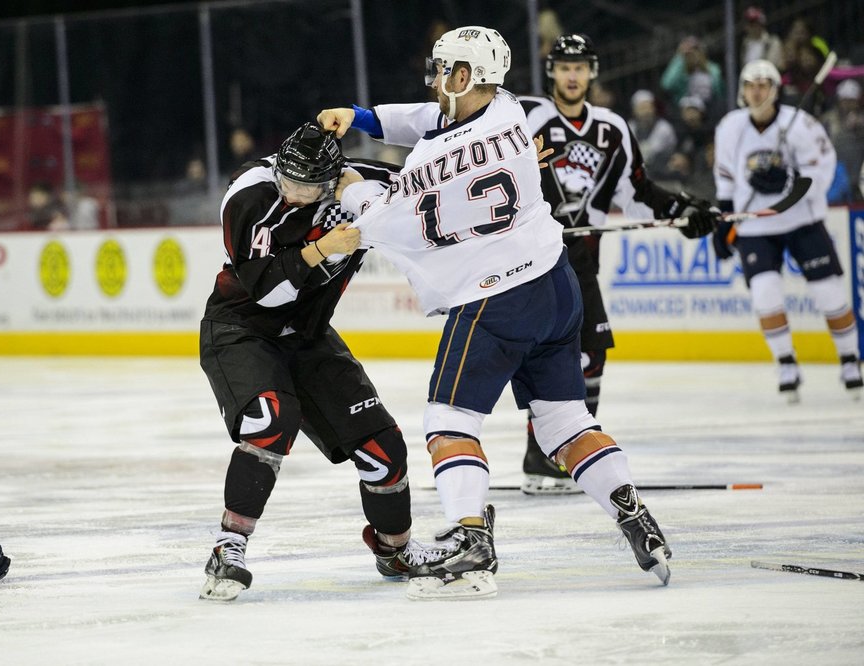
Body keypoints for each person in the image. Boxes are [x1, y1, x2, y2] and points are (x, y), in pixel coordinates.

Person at [318, 25, 676, 598]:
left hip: (493, 298)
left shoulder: (431, 162)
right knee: (565, 423)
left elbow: (381, 220)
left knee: (448, 423)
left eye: (442, 71)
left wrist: (352, 184)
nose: (433, 81)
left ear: (463, 76)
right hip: (558, 286)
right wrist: (360, 117)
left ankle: (470, 537)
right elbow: (426, 116)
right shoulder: (512, 111)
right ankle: (633, 515)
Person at [198, 122, 447, 601]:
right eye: (287, 181)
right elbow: (268, 292)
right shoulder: (249, 195)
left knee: (384, 447)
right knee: (270, 419)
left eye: (306, 187)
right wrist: (322, 249)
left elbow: (432, 179)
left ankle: (394, 549)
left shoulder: (361, 186)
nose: (293, 194)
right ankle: (228, 545)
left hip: (308, 336)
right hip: (241, 327)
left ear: (332, 180)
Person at [515, 34, 719, 496]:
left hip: (582, 254)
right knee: (560, 352)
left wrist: (683, 210)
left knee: (590, 352)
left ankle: (558, 450)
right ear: (552, 73)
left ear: (592, 72)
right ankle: (555, 450)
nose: (572, 75)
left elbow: (637, 191)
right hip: (535, 252)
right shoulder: (529, 117)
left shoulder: (612, 128)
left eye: (580, 67)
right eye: (564, 67)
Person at [712, 60, 862, 399]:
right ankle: (786, 363)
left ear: (776, 90)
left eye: (764, 85)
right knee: (765, 295)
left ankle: (850, 360)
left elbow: (822, 170)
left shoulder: (801, 125)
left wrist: (788, 179)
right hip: (754, 225)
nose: (757, 91)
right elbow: (725, 178)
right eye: (751, 85)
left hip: (801, 220)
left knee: (830, 295)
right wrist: (724, 222)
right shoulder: (730, 127)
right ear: (742, 91)